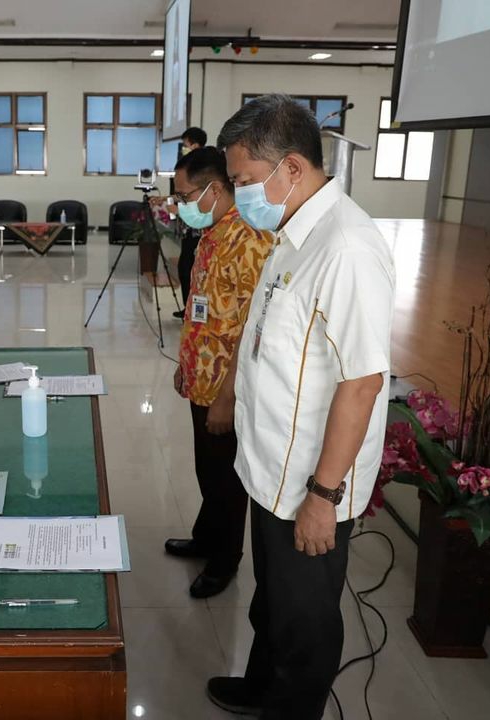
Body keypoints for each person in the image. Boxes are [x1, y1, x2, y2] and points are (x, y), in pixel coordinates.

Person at [204, 94, 395, 719]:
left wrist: (324, 496)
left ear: (291, 167)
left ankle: (290, 707)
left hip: (311, 485)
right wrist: (231, 392)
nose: (241, 194)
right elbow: (265, 332)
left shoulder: (347, 249)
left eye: (244, 182)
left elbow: (362, 383)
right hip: (268, 472)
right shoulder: (290, 233)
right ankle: (262, 687)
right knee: (273, 603)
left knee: (305, 625)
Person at [165, 147, 272, 599]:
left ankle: (225, 559)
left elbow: (252, 327)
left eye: (185, 194)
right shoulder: (214, 232)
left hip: (226, 387)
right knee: (207, 468)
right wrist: (185, 363)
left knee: (226, 479)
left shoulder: (249, 239)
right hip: (201, 376)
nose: (179, 204)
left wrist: (227, 396)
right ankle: (206, 537)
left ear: (215, 189)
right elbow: (204, 309)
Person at [170, 126, 209, 319]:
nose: (183, 149)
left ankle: (191, 310)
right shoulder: (189, 167)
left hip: (198, 230)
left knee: (189, 270)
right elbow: (185, 196)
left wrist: (179, 209)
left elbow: (197, 200)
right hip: (190, 230)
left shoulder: (201, 168)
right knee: (184, 269)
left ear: (194, 144)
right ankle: (188, 308)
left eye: (185, 145)